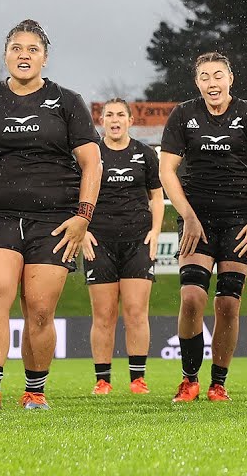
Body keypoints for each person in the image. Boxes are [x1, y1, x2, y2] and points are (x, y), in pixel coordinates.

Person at [0, 19, 102, 411]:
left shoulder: (67, 102)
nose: (24, 55)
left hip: (53, 219)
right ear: (5, 55)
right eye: (17, 48)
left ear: (45, 58)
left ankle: (35, 392)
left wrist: (83, 215)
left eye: (32, 49)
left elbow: (92, 163)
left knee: (39, 309)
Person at [162, 52, 247, 403]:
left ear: (231, 78)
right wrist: (187, 216)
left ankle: (218, 383)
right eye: (204, 77)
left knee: (228, 304)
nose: (212, 83)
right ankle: (189, 378)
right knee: (192, 298)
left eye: (218, 75)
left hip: (240, 220)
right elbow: (167, 170)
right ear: (197, 82)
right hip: (196, 219)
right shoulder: (184, 114)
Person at [87, 98, 163, 395]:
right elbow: (75, 194)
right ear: (101, 121)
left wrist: (155, 231)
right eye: (109, 115)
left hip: (137, 242)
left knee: (135, 312)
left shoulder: (144, 154)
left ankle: (137, 379)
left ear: (130, 120)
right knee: (104, 315)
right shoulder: (91, 154)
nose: (115, 120)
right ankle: (103, 380)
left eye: (120, 115)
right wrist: (82, 232)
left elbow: (156, 197)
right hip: (100, 242)